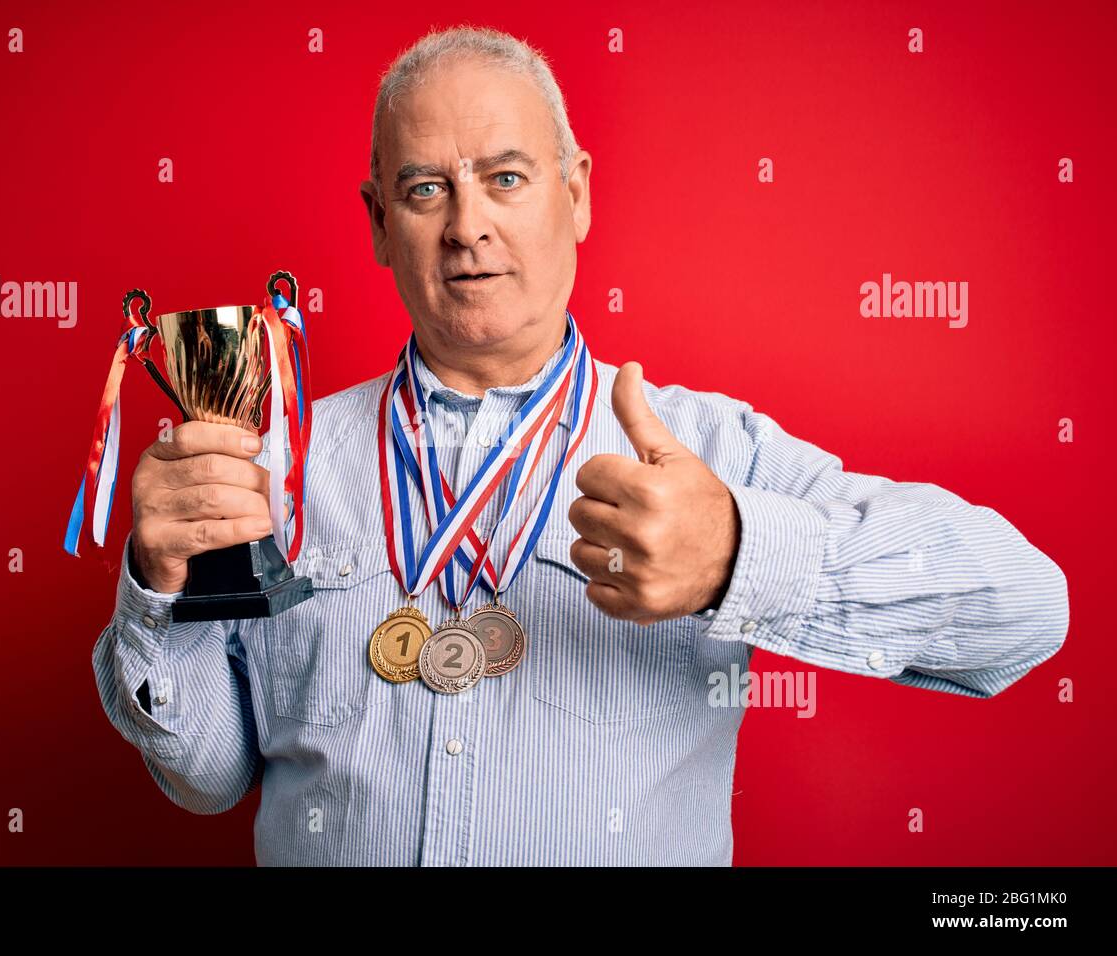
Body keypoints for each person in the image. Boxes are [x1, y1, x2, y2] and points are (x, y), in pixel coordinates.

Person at [90, 25, 1069, 866]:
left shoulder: (703, 451)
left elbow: (1025, 611)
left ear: (577, 193)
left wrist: (736, 554)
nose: (468, 226)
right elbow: (207, 779)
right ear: (379, 223)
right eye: (426, 189)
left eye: (505, 178)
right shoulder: (269, 466)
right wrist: (159, 583)